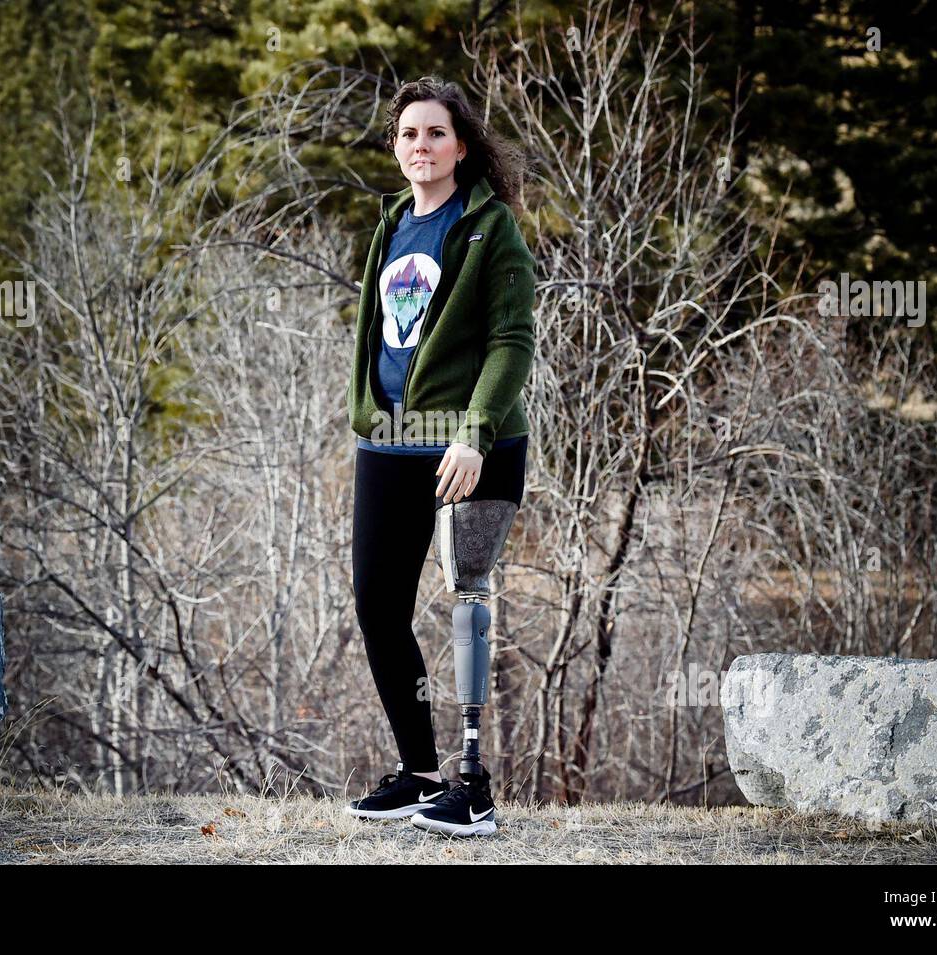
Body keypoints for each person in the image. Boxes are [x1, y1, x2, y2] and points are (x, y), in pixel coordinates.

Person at [343, 76, 537, 837]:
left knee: (468, 603)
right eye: (406, 135)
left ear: (461, 146)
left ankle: (474, 789)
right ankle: (422, 771)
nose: (418, 146)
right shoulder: (391, 223)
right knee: (377, 605)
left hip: (472, 444)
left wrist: (475, 430)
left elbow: (512, 342)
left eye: (433, 133)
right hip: (388, 442)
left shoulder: (490, 227)